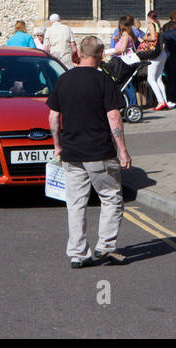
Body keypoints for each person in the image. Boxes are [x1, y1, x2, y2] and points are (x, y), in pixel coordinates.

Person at [48, 36, 132, 268]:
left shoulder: (63, 80)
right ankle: (105, 246)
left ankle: (78, 253)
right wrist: (123, 150)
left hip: (71, 152)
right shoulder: (103, 80)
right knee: (111, 197)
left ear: (80, 54)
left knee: (75, 203)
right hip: (99, 152)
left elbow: (53, 117)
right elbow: (113, 117)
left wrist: (57, 146)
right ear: (101, 54)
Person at [143, 10, 168, 111]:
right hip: (162, 54)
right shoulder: (158, 26)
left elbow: (153, 38)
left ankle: (160, 101)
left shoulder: (151, 25)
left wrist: (145, 37)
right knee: (158, 79)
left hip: (155, 55)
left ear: (149, 17)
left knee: (151, 79)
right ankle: (165, 101)